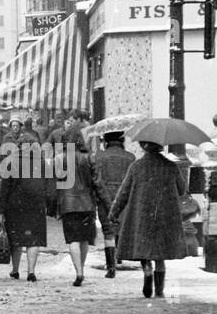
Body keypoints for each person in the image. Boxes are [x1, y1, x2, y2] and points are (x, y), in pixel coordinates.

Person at [108, 139, 188, 299]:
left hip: (141, 214)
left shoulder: (136, 167)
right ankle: (159, 290)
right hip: (164, 215)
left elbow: (124, 193)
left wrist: (114, 213)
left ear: (143, 146)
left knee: (144, 249)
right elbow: (181, 190)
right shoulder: (171, 166)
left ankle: (147, 271)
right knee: (160, 253)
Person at [0, 131, 56, 281]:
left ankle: (15, 270)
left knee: (16, 239)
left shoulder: (11, 162)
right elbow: (50, 187)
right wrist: (50, 205)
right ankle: (31, 272)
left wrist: (1, 209)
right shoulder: (42, 163)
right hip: (36, 205)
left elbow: (4, 189)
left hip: (15, 206)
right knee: (33, 239)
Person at [54, 128, 96, 286]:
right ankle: (82, 269)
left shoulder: (59, 158)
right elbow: (95, 181)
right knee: (85, 239)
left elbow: (57, 180)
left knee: (73, 240)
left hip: (68, 203)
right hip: (87, 203)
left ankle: (78, 271)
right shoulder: (88, 157)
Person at [92, 130, 133, 277]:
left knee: (108, 232)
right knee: (121, 228)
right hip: (124, 199)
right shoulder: (130, 158)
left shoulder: (99, 157)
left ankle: (111, 266)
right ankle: (119, 256)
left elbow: (98, 181)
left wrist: (106, 200)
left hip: (105, 199)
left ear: (106, 141)